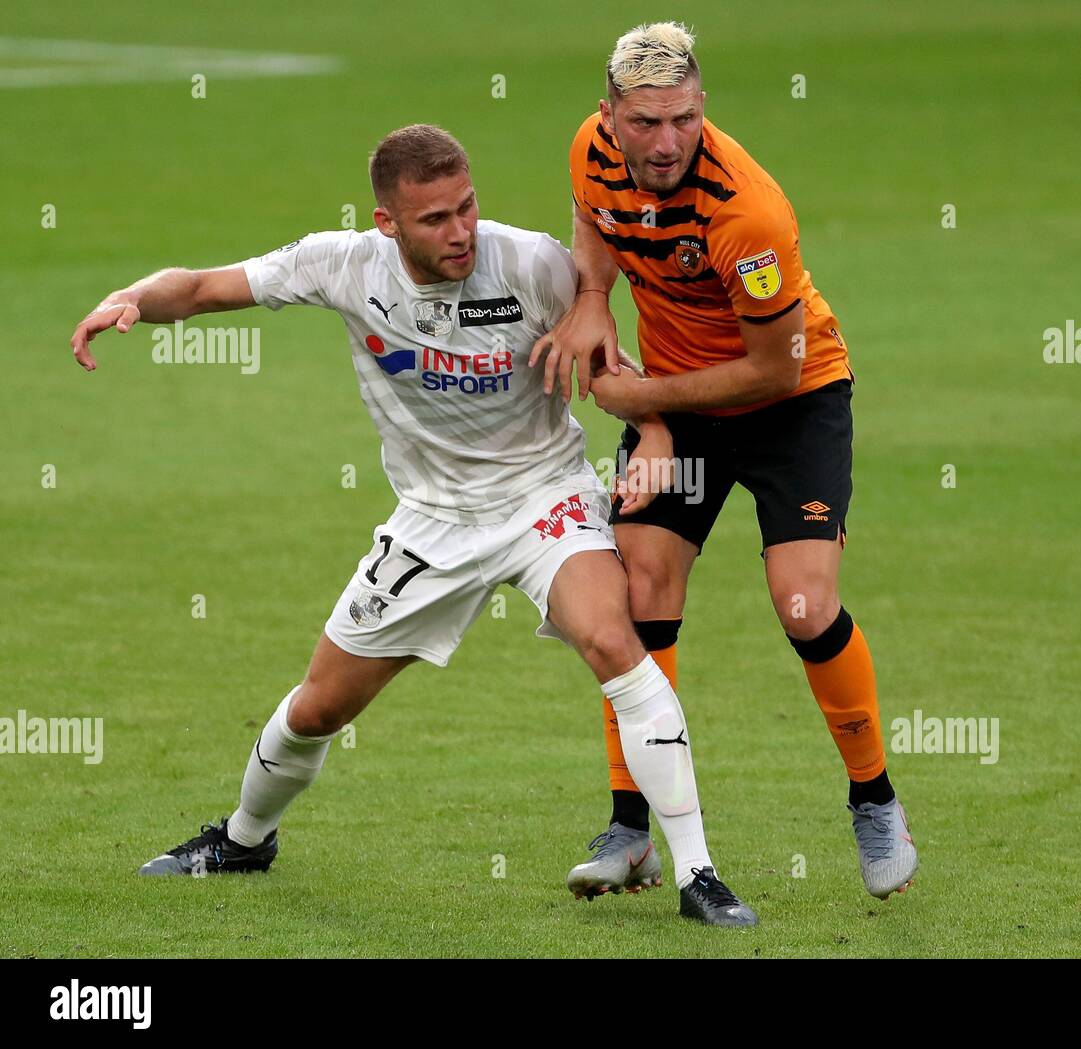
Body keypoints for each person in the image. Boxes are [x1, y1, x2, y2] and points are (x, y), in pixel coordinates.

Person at [68, 123, 757, 927]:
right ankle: (246, 838)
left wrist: (661, 435)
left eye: (466, 207)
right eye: (434, 219)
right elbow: (199, 288)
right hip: (432, 520)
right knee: (320, 707)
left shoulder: (530, 262)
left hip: (546, 496)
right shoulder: (342, 265)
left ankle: (698, 874)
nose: (460, 231)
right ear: (386, 223)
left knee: (615, 641)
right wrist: (130, 301)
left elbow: (610, 359)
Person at [530, 23, 917, 900]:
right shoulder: (590, 152)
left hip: (791, 403)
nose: (664, 142)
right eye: (643, 123)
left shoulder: (748, 212)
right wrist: (593, 299)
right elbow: (594, 226)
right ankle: (632, 831)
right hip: (677, 403)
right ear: (610, 117)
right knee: (637, 592)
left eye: (680, 119)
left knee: (807, 605)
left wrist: (643, 404)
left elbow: (771, 366)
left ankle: (875, 797)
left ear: (701, 106)